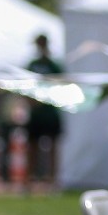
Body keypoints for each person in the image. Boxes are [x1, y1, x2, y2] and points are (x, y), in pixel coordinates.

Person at [23, 33, 67, 185]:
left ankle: (53, 180)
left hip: (50, 113)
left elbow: (61, 84)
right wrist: (30, 100)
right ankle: (29, 180)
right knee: (32, 147)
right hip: (35, 114)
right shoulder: (32, 64)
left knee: (52, 147)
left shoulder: (53, 64)